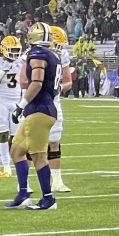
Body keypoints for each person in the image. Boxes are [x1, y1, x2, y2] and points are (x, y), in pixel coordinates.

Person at [3, 23, 62, 211]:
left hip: (39, 109)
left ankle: (48, 198)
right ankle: (23, 193)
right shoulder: (51, 54)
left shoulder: (38, 54)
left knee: (37, 156)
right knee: (16, 151)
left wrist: (20, 106)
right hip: (42, 108)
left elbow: (36, 82)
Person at [0, 35, 24, 178]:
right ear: (3, 49)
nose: (14, 53)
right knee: (3, 133)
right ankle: (7, 166)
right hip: (1, 101)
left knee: (15, 138)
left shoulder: (21, 62)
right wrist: (3, 71)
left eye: (16, 50)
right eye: (11, 49)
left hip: (16, 102)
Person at [46, 26, 75, 193]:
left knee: (54, 142)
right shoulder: (33, 54)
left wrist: (57, 89)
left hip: (54, 101)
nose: (59, 48)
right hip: (36, 102)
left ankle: (57, 181)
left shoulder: (62, 55)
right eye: (57, 44)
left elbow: (68, 81)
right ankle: (24, 182)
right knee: (31, 143)